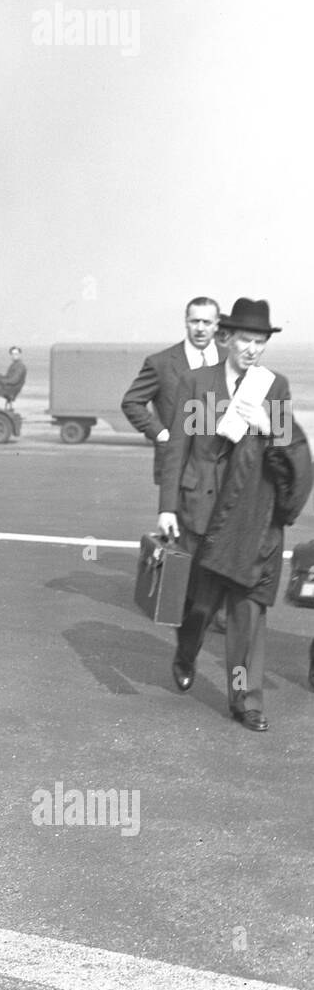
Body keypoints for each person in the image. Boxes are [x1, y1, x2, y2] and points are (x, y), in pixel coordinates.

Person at [158, 298, 311, 732]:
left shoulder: (273, 386)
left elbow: (288, 447)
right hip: (200, 514)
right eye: (246, 339)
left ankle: (246, 699)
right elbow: (177, 450)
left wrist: (269, 425)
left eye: (260, 341)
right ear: (227, 338)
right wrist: (167, 506)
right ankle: (186, 653)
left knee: (246, 615)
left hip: (248, 519)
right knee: (199, 608)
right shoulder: (195, 382)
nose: (252, 349)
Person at [122, 298, 224, 485]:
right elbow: (131, 402)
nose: (200, 328)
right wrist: (161, 434)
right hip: (177, 466)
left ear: (217, 325)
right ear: (186, 321)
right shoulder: (160, 363)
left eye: (207, 322)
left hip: (222, 467)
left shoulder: (230, 359)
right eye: (195, 321)